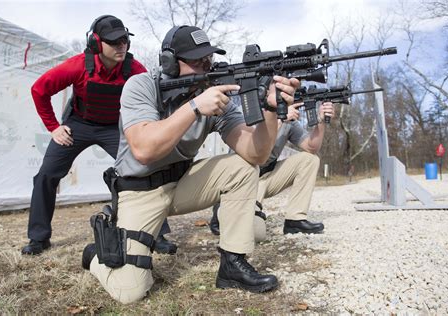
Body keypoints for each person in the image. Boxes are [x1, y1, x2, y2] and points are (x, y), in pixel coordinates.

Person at [82, 25, 299, 304]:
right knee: (131, 291)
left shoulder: (212, 94)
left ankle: (232, 264)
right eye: (196, 61)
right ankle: (95, 257)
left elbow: (255, 154)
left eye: (208, 59)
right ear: (169, 63)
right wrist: (195, 106)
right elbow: (144, 149)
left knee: (243, 167)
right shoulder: (141, 85)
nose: (205, 67)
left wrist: (270, 110)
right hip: (139, 192)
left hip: (183, 183)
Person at [21, 15, 175, 255]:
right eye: (114, 42)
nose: (121, 46)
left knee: (146, 169)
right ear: (95, 44)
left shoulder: (134, 69)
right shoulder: (78, 65)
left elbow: (151, 100)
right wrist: (53, 127)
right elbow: (39, 89)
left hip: (116, 128)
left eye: (124, 40)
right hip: (78, 125)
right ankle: (38, 238)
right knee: (46, 175)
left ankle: (158, 234)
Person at [209, 100, 335, 239]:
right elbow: (254, 149)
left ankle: (295, 220)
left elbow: (311, 147)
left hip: (265, 178)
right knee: (254, 235)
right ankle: (222, 209)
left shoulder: (290, 123)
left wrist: (321, 122)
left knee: (310, 159)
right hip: (240, 181)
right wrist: (279, 119)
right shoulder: (249, 110)